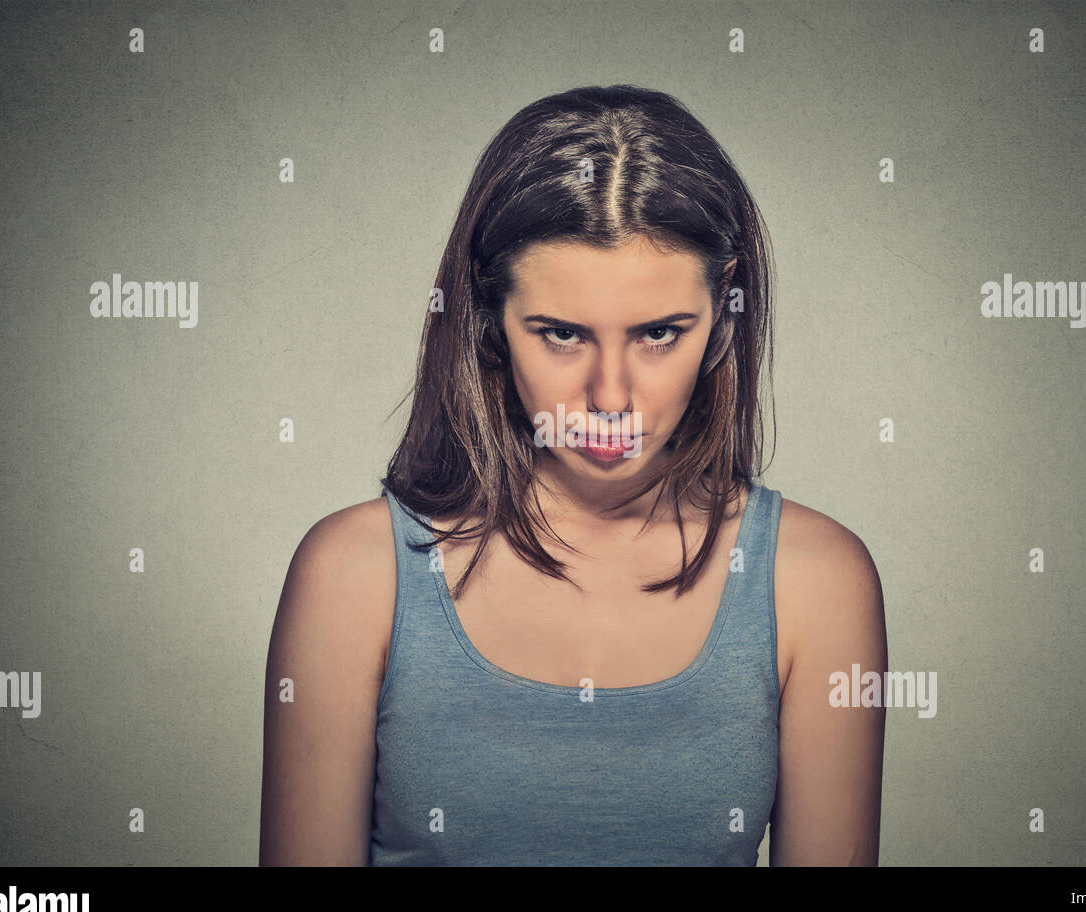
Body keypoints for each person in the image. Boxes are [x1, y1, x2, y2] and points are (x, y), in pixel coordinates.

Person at [259, 84, 887, 866]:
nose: (612, 397)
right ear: (489, 320)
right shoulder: (353, 575)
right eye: (560, 334)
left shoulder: (816, 582)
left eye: (660, 333)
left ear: (725, 309)